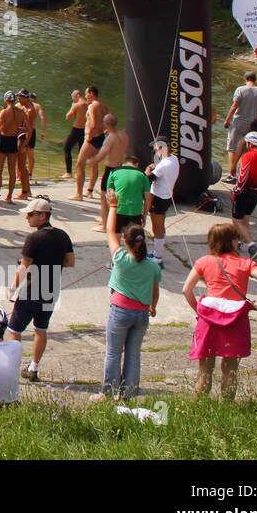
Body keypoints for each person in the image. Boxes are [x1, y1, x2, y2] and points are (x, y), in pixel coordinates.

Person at [181, 223, 257, 400]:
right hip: (236, 320)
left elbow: (186, 290)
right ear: (233, 241)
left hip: (208, 321)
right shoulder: (246, 263)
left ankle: (198, 407)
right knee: (230, 370)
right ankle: (227, 407)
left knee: (205, 370)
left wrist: (199, 311)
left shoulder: (204, 262)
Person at [90, 218, 160, 402]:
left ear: (125, 241)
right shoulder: (152, 265)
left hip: (120, 311)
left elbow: (110, 232)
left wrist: (112, 205)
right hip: (142, 313)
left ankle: (108, 392)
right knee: (133, 354)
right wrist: (153, 306)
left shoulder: (120, 258)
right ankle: (128, 394)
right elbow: (155, 291)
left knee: (113, 352)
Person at [7, 196, 73, 383]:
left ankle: (12, 368)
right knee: (40, 329)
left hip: (31, 291)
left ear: (43, 216)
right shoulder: (63, 236)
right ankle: (34, 367)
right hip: (51, 292)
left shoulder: (33, 238)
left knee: (14, 330)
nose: (27, 218)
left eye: (30, 215)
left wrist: (13, 287)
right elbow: (70, 262)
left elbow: (25, 266)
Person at [230, 131, 257, 258]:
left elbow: (243, 177)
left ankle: (251, 246)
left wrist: (236, 192)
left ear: (250, 144)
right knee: (245, 217)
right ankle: (238, 242)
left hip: (244, 192)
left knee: (236, 220)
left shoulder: (248, 157)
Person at [89, 113, 129, 231]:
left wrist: (90, 161)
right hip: (121, 167)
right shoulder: (123, 134)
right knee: (117, 196)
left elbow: (101, 156)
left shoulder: (110, 138)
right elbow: (125, 149)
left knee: (104, 197)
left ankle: (105, 225)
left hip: (111, 170)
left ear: (106, 124)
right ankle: (110, 219)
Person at [143, 137, 178, 265]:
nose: (154, 152)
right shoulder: (173, 159)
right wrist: (156, 164)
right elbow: (160, 166)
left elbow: (147, 179)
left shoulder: (163, 165)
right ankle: (157, 253)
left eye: (156, 149)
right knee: (161, 226)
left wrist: (147, 170)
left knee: (157, 228)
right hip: (167, 196)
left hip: (158, 198)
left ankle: (157, 258)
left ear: (161, 148)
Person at [0, 91, 28, 203]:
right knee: (12, 171)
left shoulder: (4, 112)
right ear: (14, 100)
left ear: (6, 100)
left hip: (3, 140)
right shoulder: (21, 112)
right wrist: (17, 128)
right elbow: (28, 129)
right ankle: (9, 197)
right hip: (13, 140)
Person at [71, 85, 106, 200]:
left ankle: (79, 194)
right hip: (100, 137)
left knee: (79, 164)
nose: (85, 96)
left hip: (91, 139)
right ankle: (89, 191)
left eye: (86, 93)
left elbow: (94, 123)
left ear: (91, 93)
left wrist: (89, 135)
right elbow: (112, 118)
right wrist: (104, 130)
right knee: (93, 164)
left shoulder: (92, 106)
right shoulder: (103, 105)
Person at [105, 154, 149, 245]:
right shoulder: (142, 174)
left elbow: (109, 193)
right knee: (134, 241)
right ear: (136, 164)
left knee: (115, 240)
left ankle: (117, 257)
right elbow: (148, 198)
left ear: (124, 163)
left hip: (118, 210)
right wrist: (144, 215)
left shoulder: (114, 172)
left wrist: (110, 211)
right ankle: (133, 257)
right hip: (135, 211)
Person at [62, 89, 86, 178]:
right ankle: (80, 172)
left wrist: (72, 106)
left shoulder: (76, 105)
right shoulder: (88, 104)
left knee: (67, 148)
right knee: (82, 151)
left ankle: (69, 172)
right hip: (85, 130)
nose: (72, 99)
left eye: (72, 97)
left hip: (76, 129)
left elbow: (68, 117)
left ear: (76, 96)